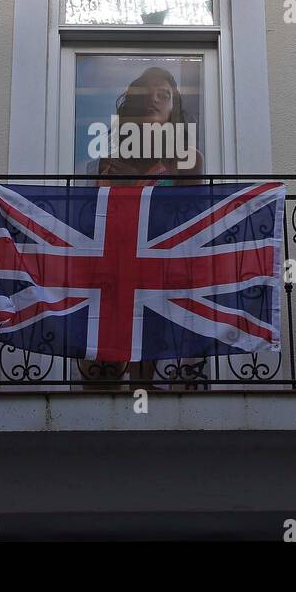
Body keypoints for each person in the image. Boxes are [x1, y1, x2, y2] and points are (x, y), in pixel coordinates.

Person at [79, 66, 204, 391]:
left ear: (173, 108)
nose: (154, 99)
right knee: (101, 377)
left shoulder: (186, 161)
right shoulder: (105, 162)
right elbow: (90, 220)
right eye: (146, 92)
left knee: (151, 350)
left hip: (161, 271)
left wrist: (133, 184)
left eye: (164, 95)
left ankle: (145, 389)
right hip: (112, 271)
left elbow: (190, 219)